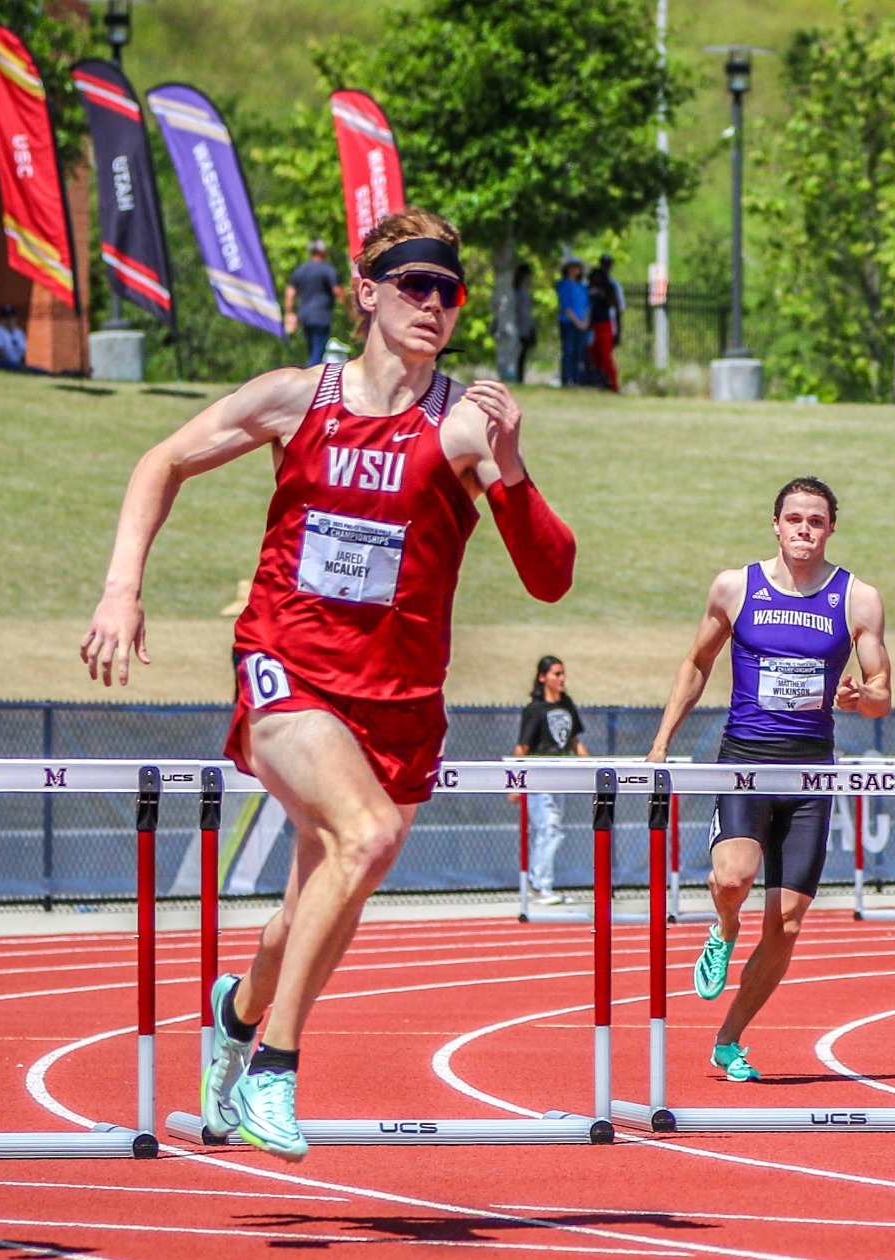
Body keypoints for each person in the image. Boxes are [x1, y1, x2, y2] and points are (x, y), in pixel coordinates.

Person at [81, 207, 576, 1161]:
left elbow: (550, 578)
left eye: (449, 292)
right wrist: (121, 589)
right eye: (414, 287)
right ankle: (275, 1069)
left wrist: (511, 467)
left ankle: (236, 1012)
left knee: (321, 896)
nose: (434, 306)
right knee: (370, 835)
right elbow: (162, 460)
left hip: (397, 699)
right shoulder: (295, 398)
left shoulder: (466, 425)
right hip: (285, 664)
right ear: (367, 292)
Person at [646, 477, 891, 1082]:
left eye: (816, 520)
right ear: (775, 525)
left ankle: (729, 1039)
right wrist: (660, 745)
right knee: (733, 880)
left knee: (785, 923)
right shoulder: (736, 587)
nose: (804, 529)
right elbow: (698, 662)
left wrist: (864, 699)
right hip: (746, 763)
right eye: (794, 519)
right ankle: (724, 928)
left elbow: (883, 694)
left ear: (831, 528)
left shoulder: (857, 598)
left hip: (811, 774)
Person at [515, 654, 591, 906]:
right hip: (538, 776)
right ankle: (538, 884)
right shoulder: (534, 710)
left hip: (562, 776)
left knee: (553, 829)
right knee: (548, 828)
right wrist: (514, 783)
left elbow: (575, 741)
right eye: (556, 674)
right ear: (542, 677)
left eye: (563, 673)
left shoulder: (567, 705)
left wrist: (593, 770)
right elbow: (522, 747)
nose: (561, 679)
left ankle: (541, 883)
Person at [284, 239, 344, 368]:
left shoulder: (301, 270)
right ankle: (311, 378)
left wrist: (290, 312)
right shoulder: (327, 269)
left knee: (312, 350)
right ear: (323, 252)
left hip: (305, 316)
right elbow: (337, 290)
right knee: (318, 352)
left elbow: (290, 291)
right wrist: (350, 307)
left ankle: (311, 374)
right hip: (321, 316)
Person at [554, 257, 589, 387]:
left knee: (579, 352)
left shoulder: (581, 286)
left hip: (582, 323)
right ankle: (567, 379)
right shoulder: (564, 284)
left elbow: (586, 305)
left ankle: (577, 379)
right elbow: (566, 306)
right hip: (568, 323)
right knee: (568, 350)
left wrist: (585, 321)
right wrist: (576, 322)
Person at [587, 263, 620, 391]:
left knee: (606, 356)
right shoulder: (588, 289)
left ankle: (613, 384)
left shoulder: (609, 288)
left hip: (604, 325)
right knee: (594, 355)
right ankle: (600, 381)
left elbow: (615, 306)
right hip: (592, 326)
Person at [0, 305, 27, 370]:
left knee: (38, 371)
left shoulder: (19, 333)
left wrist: (21, 365)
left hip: (15, 365)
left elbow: (22, 354)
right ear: (1, 319)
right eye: (6, 317)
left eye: (12, 316)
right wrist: (15, 367)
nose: (9, 319)